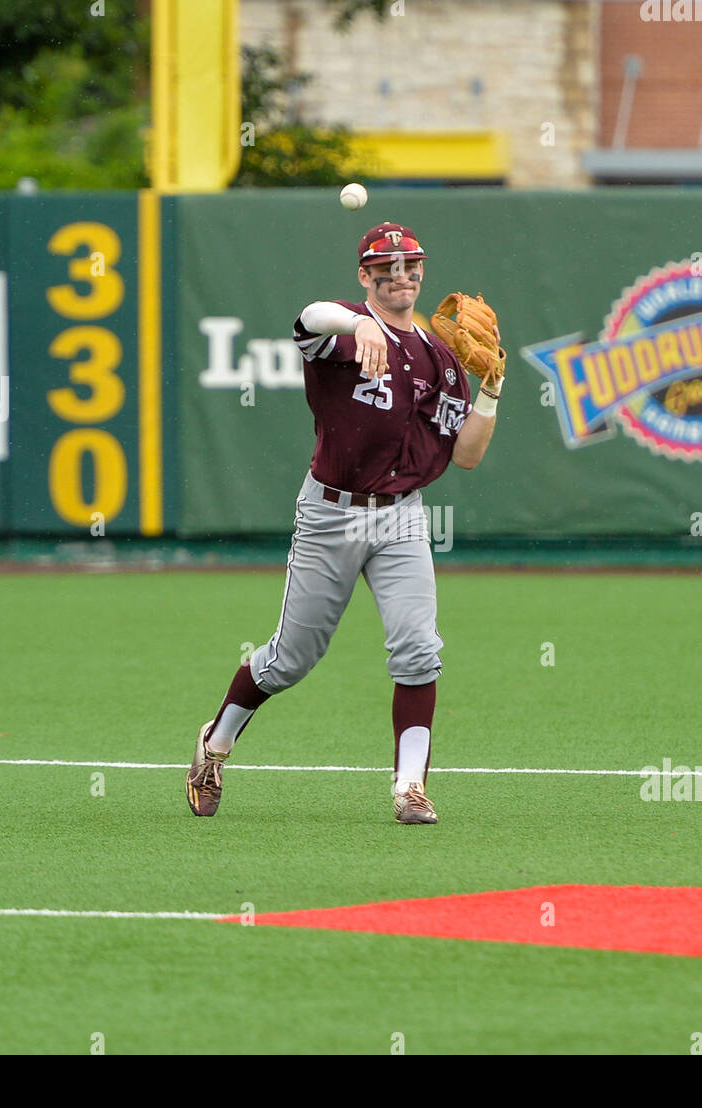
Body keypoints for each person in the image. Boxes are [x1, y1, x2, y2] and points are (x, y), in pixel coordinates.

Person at [187, 221, 502, 824]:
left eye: (410, 266)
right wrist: (355, 320)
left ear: (422, 272)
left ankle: (409, 789)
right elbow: (308, 317)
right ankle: (214, 745)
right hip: (331, 513)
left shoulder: (444, 359)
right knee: (290, 659)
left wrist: (491, 390)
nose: (400, 276)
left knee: (418, 652)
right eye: (385, 268)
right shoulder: (346, 336)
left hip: (402, 517)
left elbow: (465, 454)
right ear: (365, 277)